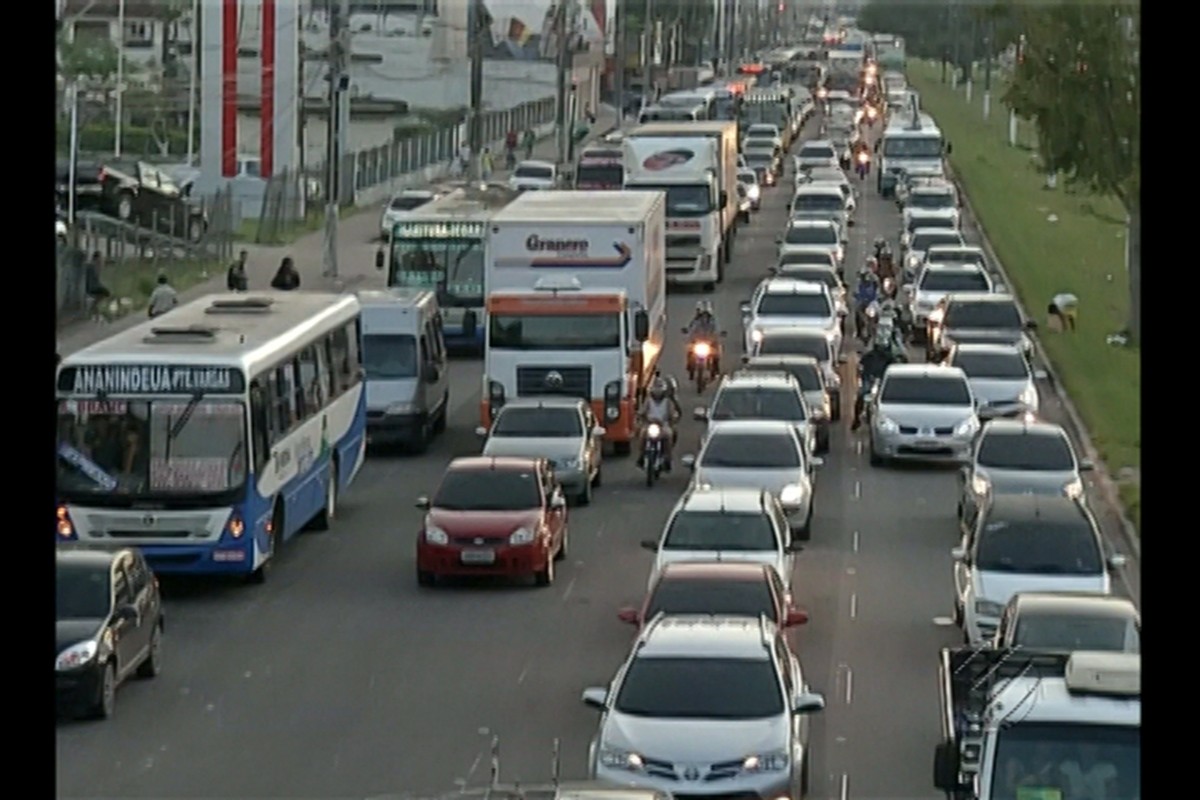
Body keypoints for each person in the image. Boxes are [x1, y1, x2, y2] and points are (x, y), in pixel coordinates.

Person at [851, 332, 902, 430]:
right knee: (861, 394)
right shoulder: (869, 356)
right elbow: (861, 366)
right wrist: (862, 374)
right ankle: (856, 419)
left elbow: (896, 366)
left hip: (882, 381)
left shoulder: (890, 358)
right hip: (870, 379)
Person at [635, 378, 681, 471]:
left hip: (663, 425)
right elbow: (642, 411)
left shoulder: (667, 401)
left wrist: (673, 418)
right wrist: (639, 416)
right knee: (642, 434)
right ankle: (641, 456)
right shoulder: (648, 400)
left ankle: (668, 458)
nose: (657, 392)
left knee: (668, 436)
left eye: (659, 389)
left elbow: (672, 414)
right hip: (650, 424)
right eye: (656, 389)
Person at [685, 301, 722, 376]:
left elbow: (716, 329)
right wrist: (688, 332)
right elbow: (691, 329)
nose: (704, 316)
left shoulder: (713, 321)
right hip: (698, 341)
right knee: (689, 350)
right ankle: (690, 366)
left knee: (717, 351)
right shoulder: (695, 321)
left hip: (709, 341)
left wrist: (718, 335)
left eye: (706, 314)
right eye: (702, 314)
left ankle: (715, 368)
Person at [84, 251, 112, 320]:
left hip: (92, 286)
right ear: (97, 258)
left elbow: (96, 280)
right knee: (106, 293)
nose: (102, 259)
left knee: (101, 296)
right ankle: (94, 310)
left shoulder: (93, 265)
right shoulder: (92, 266)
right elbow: (94, 280)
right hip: (92, 287)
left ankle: (95, 311)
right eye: (100, 257)